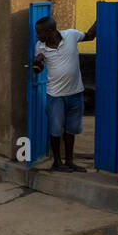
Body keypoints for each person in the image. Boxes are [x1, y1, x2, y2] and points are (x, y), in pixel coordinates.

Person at [32, 15, 96, 172]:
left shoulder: (71, 35)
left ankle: (69, 161)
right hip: (55, 96)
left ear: (51, 31)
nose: (37, 36)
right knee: (55, 129)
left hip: (75, 93)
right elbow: (37, 69)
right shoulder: (40, 46)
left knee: (71, 130)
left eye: (40, 33)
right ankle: (57, 162)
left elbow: (89, 36)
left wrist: (101, 18)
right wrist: (37, 63)